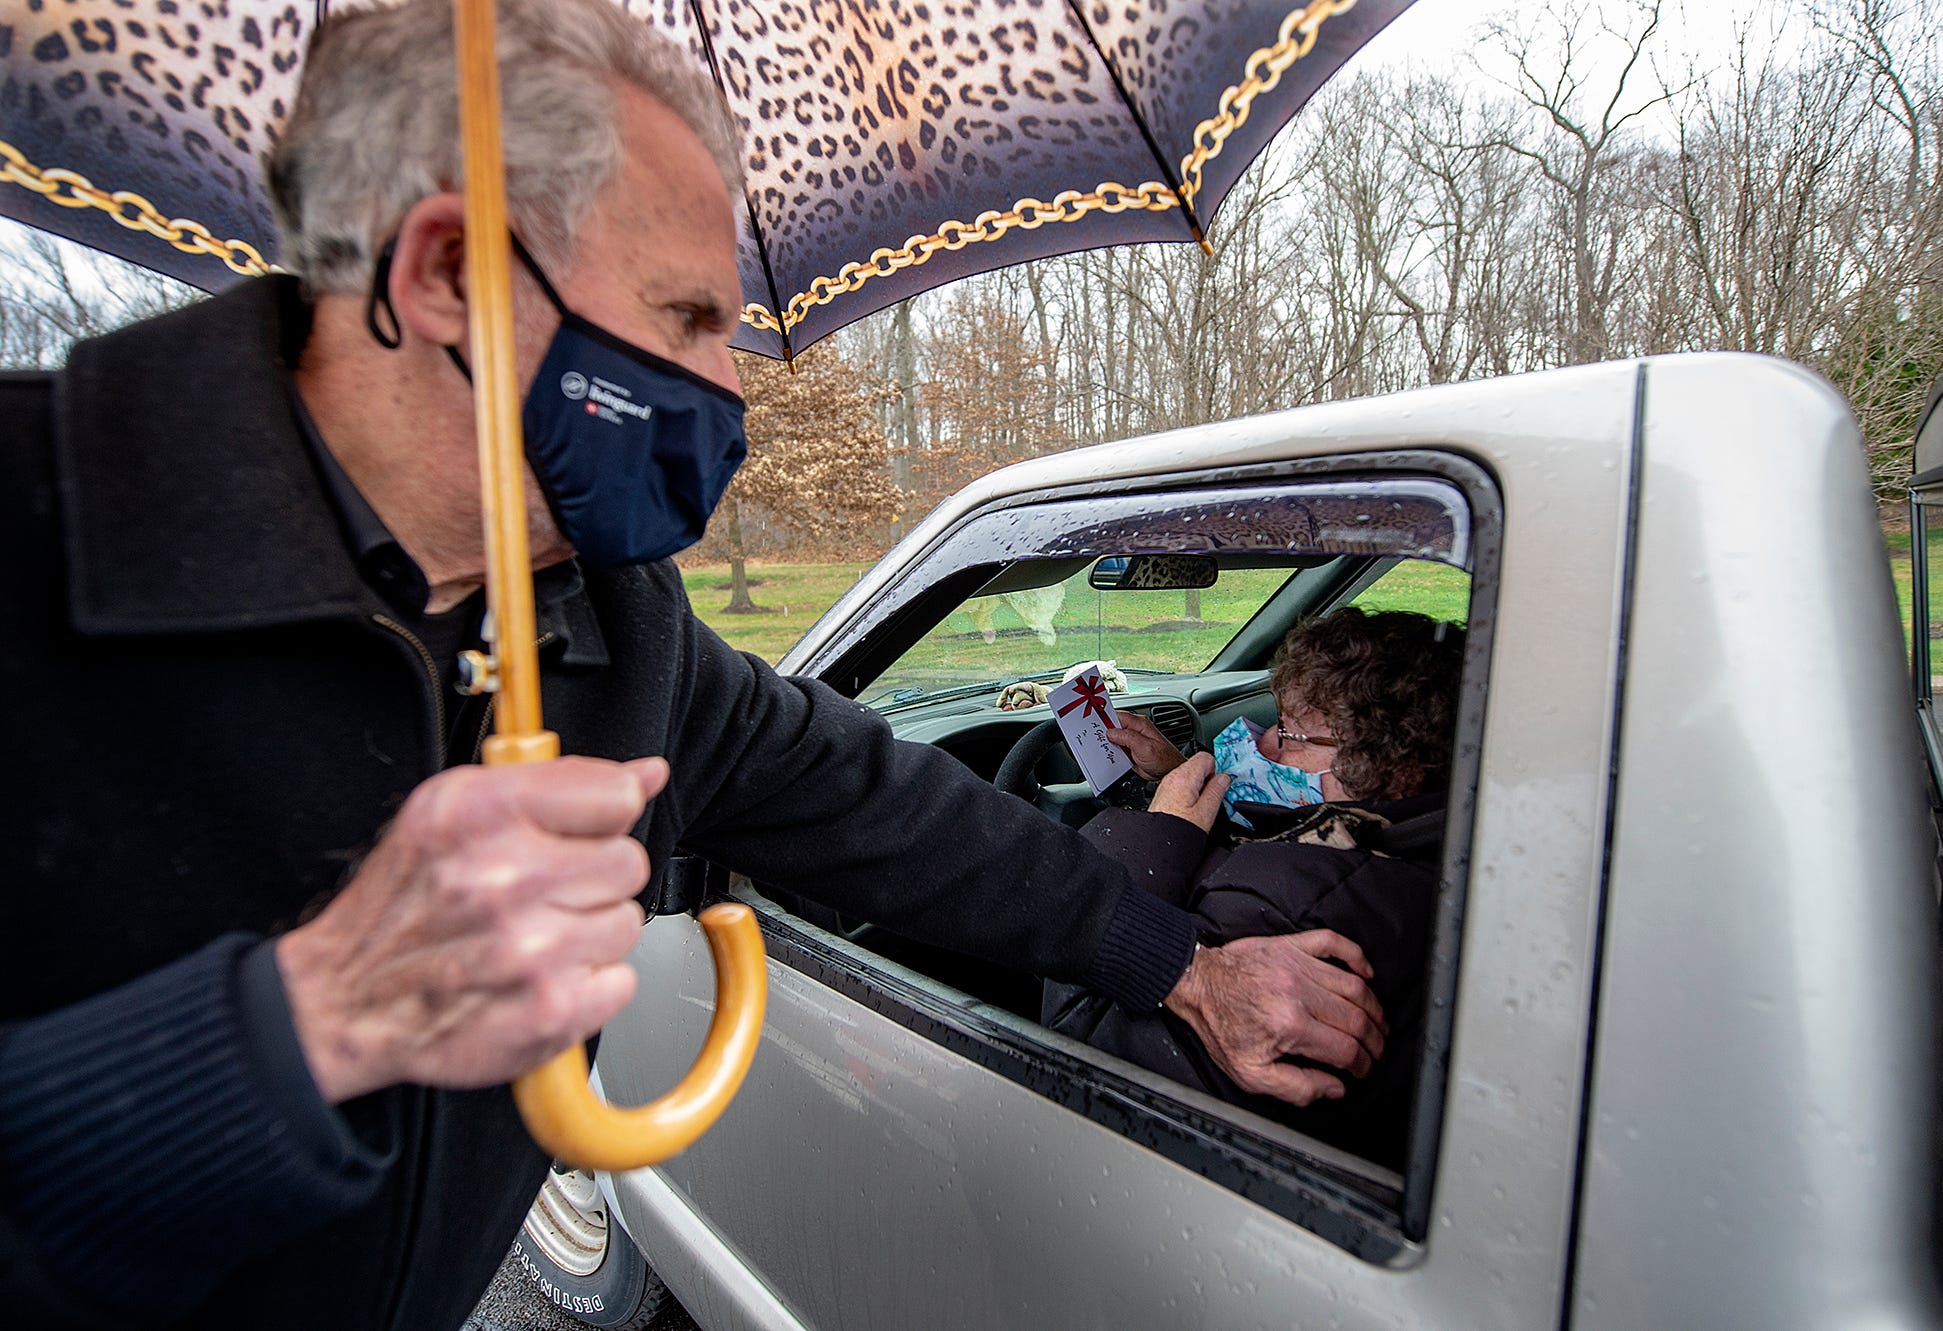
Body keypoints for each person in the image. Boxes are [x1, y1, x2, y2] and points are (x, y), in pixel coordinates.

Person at [0, 2, 1388, 1327]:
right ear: (447, 274)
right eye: (682, 320)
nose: (726, 391)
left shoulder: (619, 626)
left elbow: (891, 812)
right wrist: (303, 1025)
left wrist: (1181, 964)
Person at [1047, 608, 1465, 1169]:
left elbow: (1079, 1033)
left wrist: (1160, 832)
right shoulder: (1424, 842)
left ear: (1397, 769)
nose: (1263, 739)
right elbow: (1287, 848)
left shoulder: (1289, 918)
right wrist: (1175, 779)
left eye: (1288, 733)